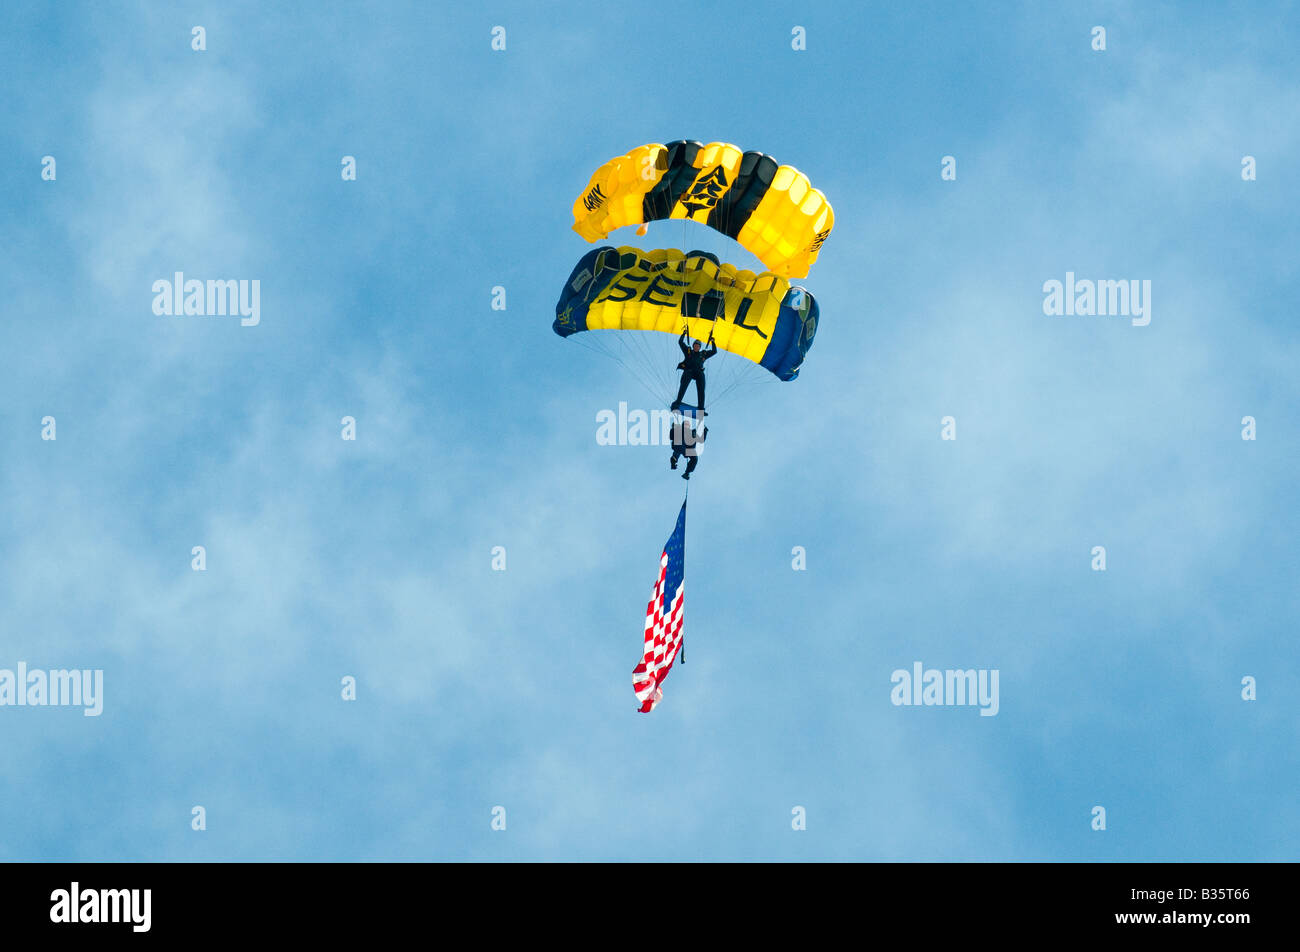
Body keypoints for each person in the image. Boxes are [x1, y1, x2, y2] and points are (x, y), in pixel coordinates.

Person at [671, 327, 717, 412]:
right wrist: (684, 333)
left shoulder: (703, 354)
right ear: (693, 346)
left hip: (699, 372)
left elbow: (714, 351)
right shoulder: (688, 351)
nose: (696, 346)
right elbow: (680, 342)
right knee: (683, 386)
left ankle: (701, 408)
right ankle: (677, 403)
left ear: (700, 347)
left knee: (701, 388)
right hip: (689, 371)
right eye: (695, 345)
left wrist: (713, 341)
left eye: (698, 346)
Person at [669, 414, 708, 480]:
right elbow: (671, 436)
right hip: (681, 445)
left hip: (687, 448)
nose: (686, 426)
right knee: (680, 447)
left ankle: (686, 472)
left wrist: (705, 431)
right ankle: (674, 461)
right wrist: (674, 428)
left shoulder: (692, 432)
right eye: (685, 424)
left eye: (687, 425)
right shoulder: (679, 429)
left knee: (694, 458)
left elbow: (701, 440)